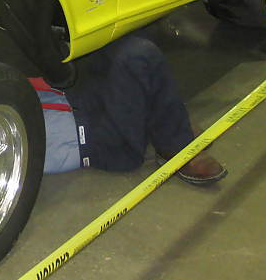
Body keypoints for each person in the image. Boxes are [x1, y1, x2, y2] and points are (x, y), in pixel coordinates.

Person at [34, 34, 227, 184]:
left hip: (64, 95)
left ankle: (164, 120)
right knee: (137, 54)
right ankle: (174, 142)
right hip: (94, 137)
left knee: (128, 28)